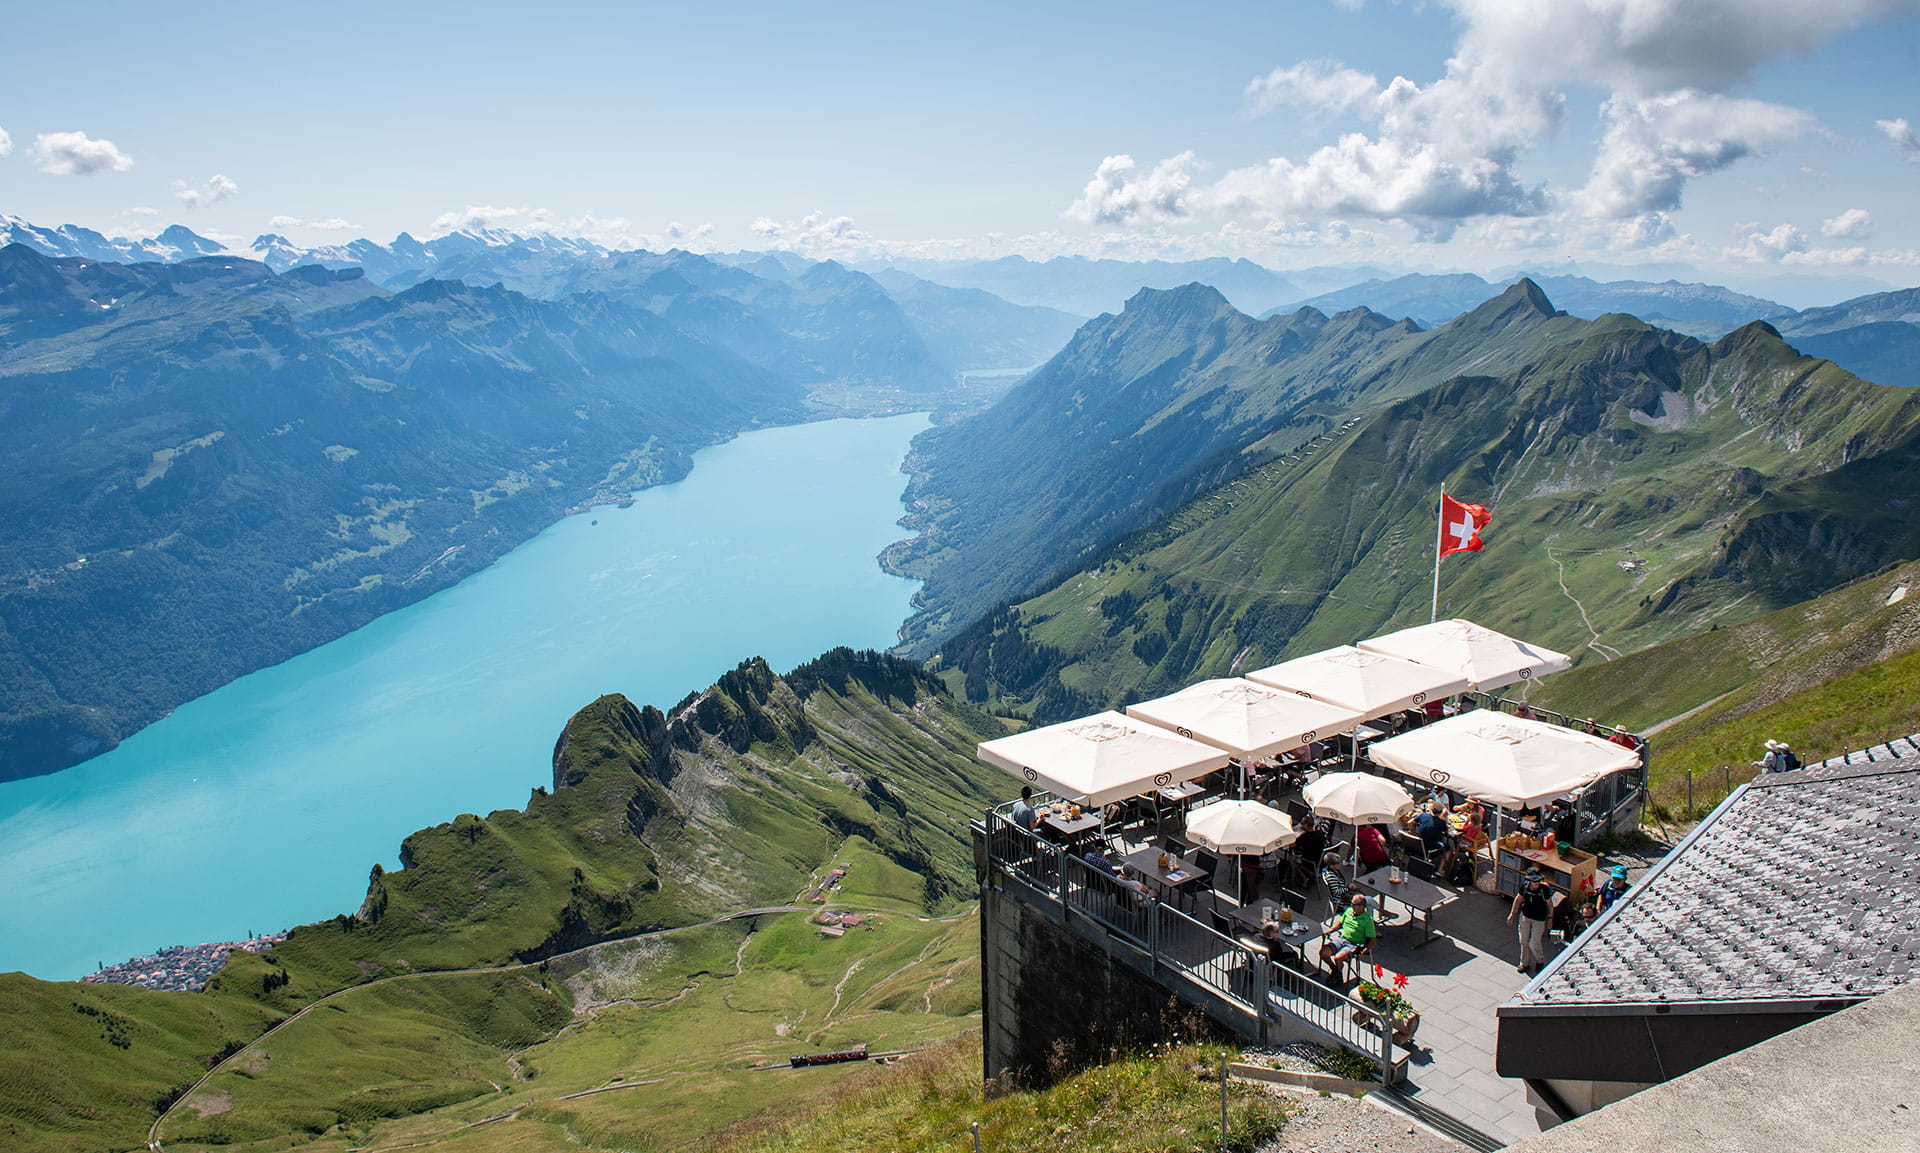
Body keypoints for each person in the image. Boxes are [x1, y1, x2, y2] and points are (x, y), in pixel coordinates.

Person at [1320, 893, 1377, 981]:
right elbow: (1339, 924)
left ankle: (1337, 976)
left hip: (1353, 945)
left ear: (1361, 906)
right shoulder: (1349, 911)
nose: (1351, 906)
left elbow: (1373, 941)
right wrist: (1330, 931)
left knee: (1338, 958)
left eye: (1354, 905)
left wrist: (1364, 952)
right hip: (1341, 939)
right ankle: (1335, 970)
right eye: (1351, 904)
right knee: (1323, 952)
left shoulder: (1367, 920)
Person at [1508, 868, 1555, 974]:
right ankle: (1524, 963)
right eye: (1534, 882)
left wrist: (1550, 919)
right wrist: (1512, 914)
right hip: (1526, 916)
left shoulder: (1544, 889)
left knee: (1534, 942)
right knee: (1523, 940)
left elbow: (1550, 905)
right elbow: (1518, 899)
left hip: (1539, 919)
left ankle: (1539, 960)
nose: (1536, 884)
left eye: (1538, 881)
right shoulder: (1524, 887)